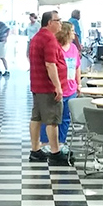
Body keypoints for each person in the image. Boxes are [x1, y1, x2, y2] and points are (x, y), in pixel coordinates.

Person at [28, 10, 69, 165]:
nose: (60, 23)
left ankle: (35, 150)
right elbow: (50, 65)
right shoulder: (49, 39)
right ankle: (55, 152)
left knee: (36, 118)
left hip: (37, 85)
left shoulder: (36, 37)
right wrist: (58, 87)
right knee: (52, 120)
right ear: (50, 23)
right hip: (47, 87)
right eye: (58, 20)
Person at [40, 21, 81, 147]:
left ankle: (61, 142)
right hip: (56, 89)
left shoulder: (73, 48)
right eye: (72, 31)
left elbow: (77, 66)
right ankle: (46, 142)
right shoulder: (54, 47)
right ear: (66, 32)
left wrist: (78, 84)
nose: (75, 33)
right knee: (51, 118)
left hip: (70, 89)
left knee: (65, 118)